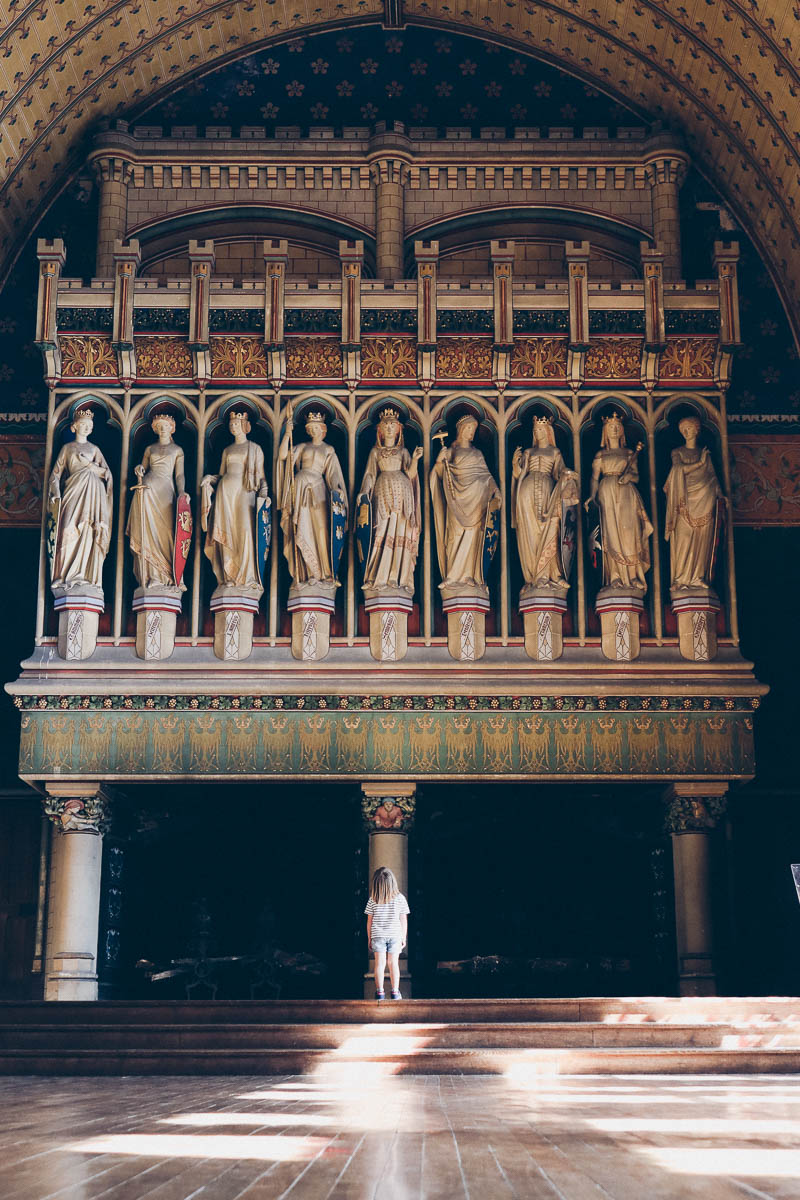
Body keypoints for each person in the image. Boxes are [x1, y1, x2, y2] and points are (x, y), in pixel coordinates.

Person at [127, 413, 188, 589]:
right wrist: (139, 469)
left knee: (167, 533)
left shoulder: (177, 450)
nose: (162, 429)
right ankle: (152, 575)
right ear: (155, 429)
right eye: (159, 426)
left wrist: (182, 492)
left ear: (172, 428)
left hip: (165, 492)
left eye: (166, 426)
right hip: (146, 491)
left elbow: (179, 474)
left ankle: (168, 575)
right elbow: (143, 467)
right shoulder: (150, 449)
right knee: (147, 533)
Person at [364, 866, 409, 1001]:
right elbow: (403, 920)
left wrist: (369, 938)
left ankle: (380, 992)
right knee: (393, 963)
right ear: (393, 882)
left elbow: (369, 922)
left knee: (379, 964)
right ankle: (395, 992)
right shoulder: (400, 898)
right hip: (395, 935)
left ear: (376, 883)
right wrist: (403, 937)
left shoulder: (373, 899)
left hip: (378, 935)